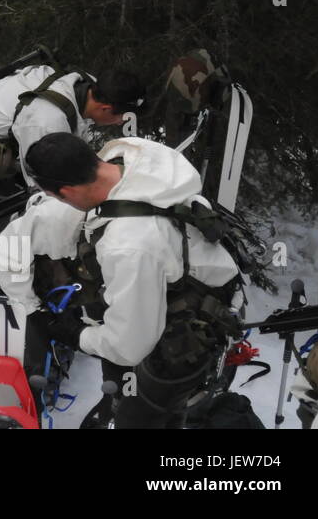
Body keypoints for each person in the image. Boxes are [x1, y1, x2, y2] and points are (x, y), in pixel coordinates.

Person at [22, 132, 242, 429]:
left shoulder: (128, 245)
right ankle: (121, 399)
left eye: (53, 196)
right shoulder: (135, 154)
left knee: (144, 417)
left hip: (194, 324)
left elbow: (129, 347)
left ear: (68, 191)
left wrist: (76, 334)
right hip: (201, 275)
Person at [0, 61, 145, 309]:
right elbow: (42, 190)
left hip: (13, 144)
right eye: (121, 117)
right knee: (11, 229)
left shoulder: (86, 86)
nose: (119, 122)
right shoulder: (46, 120)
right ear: (105, 107)